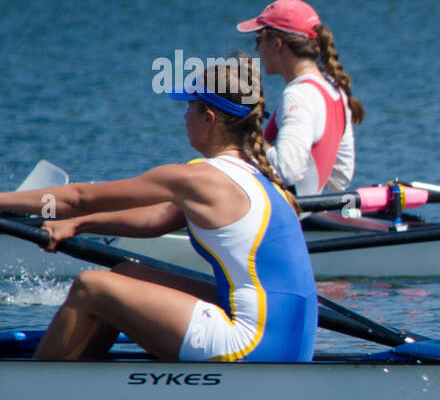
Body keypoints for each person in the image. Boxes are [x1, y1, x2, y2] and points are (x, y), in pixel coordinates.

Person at [0, 55, 318, 362]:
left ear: (208, 118)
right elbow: (156, 218)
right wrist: (78, 225)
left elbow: (78, 197)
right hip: (289, 344)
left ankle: (47, 392)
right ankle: (91, 377)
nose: (184, 117)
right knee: (127, 275)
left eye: (190, 107)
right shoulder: (260, 179)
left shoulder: (197, 178)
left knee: (90, 286)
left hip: (253, 346)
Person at [236, 0, 363, 196]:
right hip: (304, 211)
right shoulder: (334, 89)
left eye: (258, 40)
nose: (255, 49)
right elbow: (340, 178)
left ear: (277, 44)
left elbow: (286, 170)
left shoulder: (298, 96)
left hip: (282, 216)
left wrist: (247, 138)